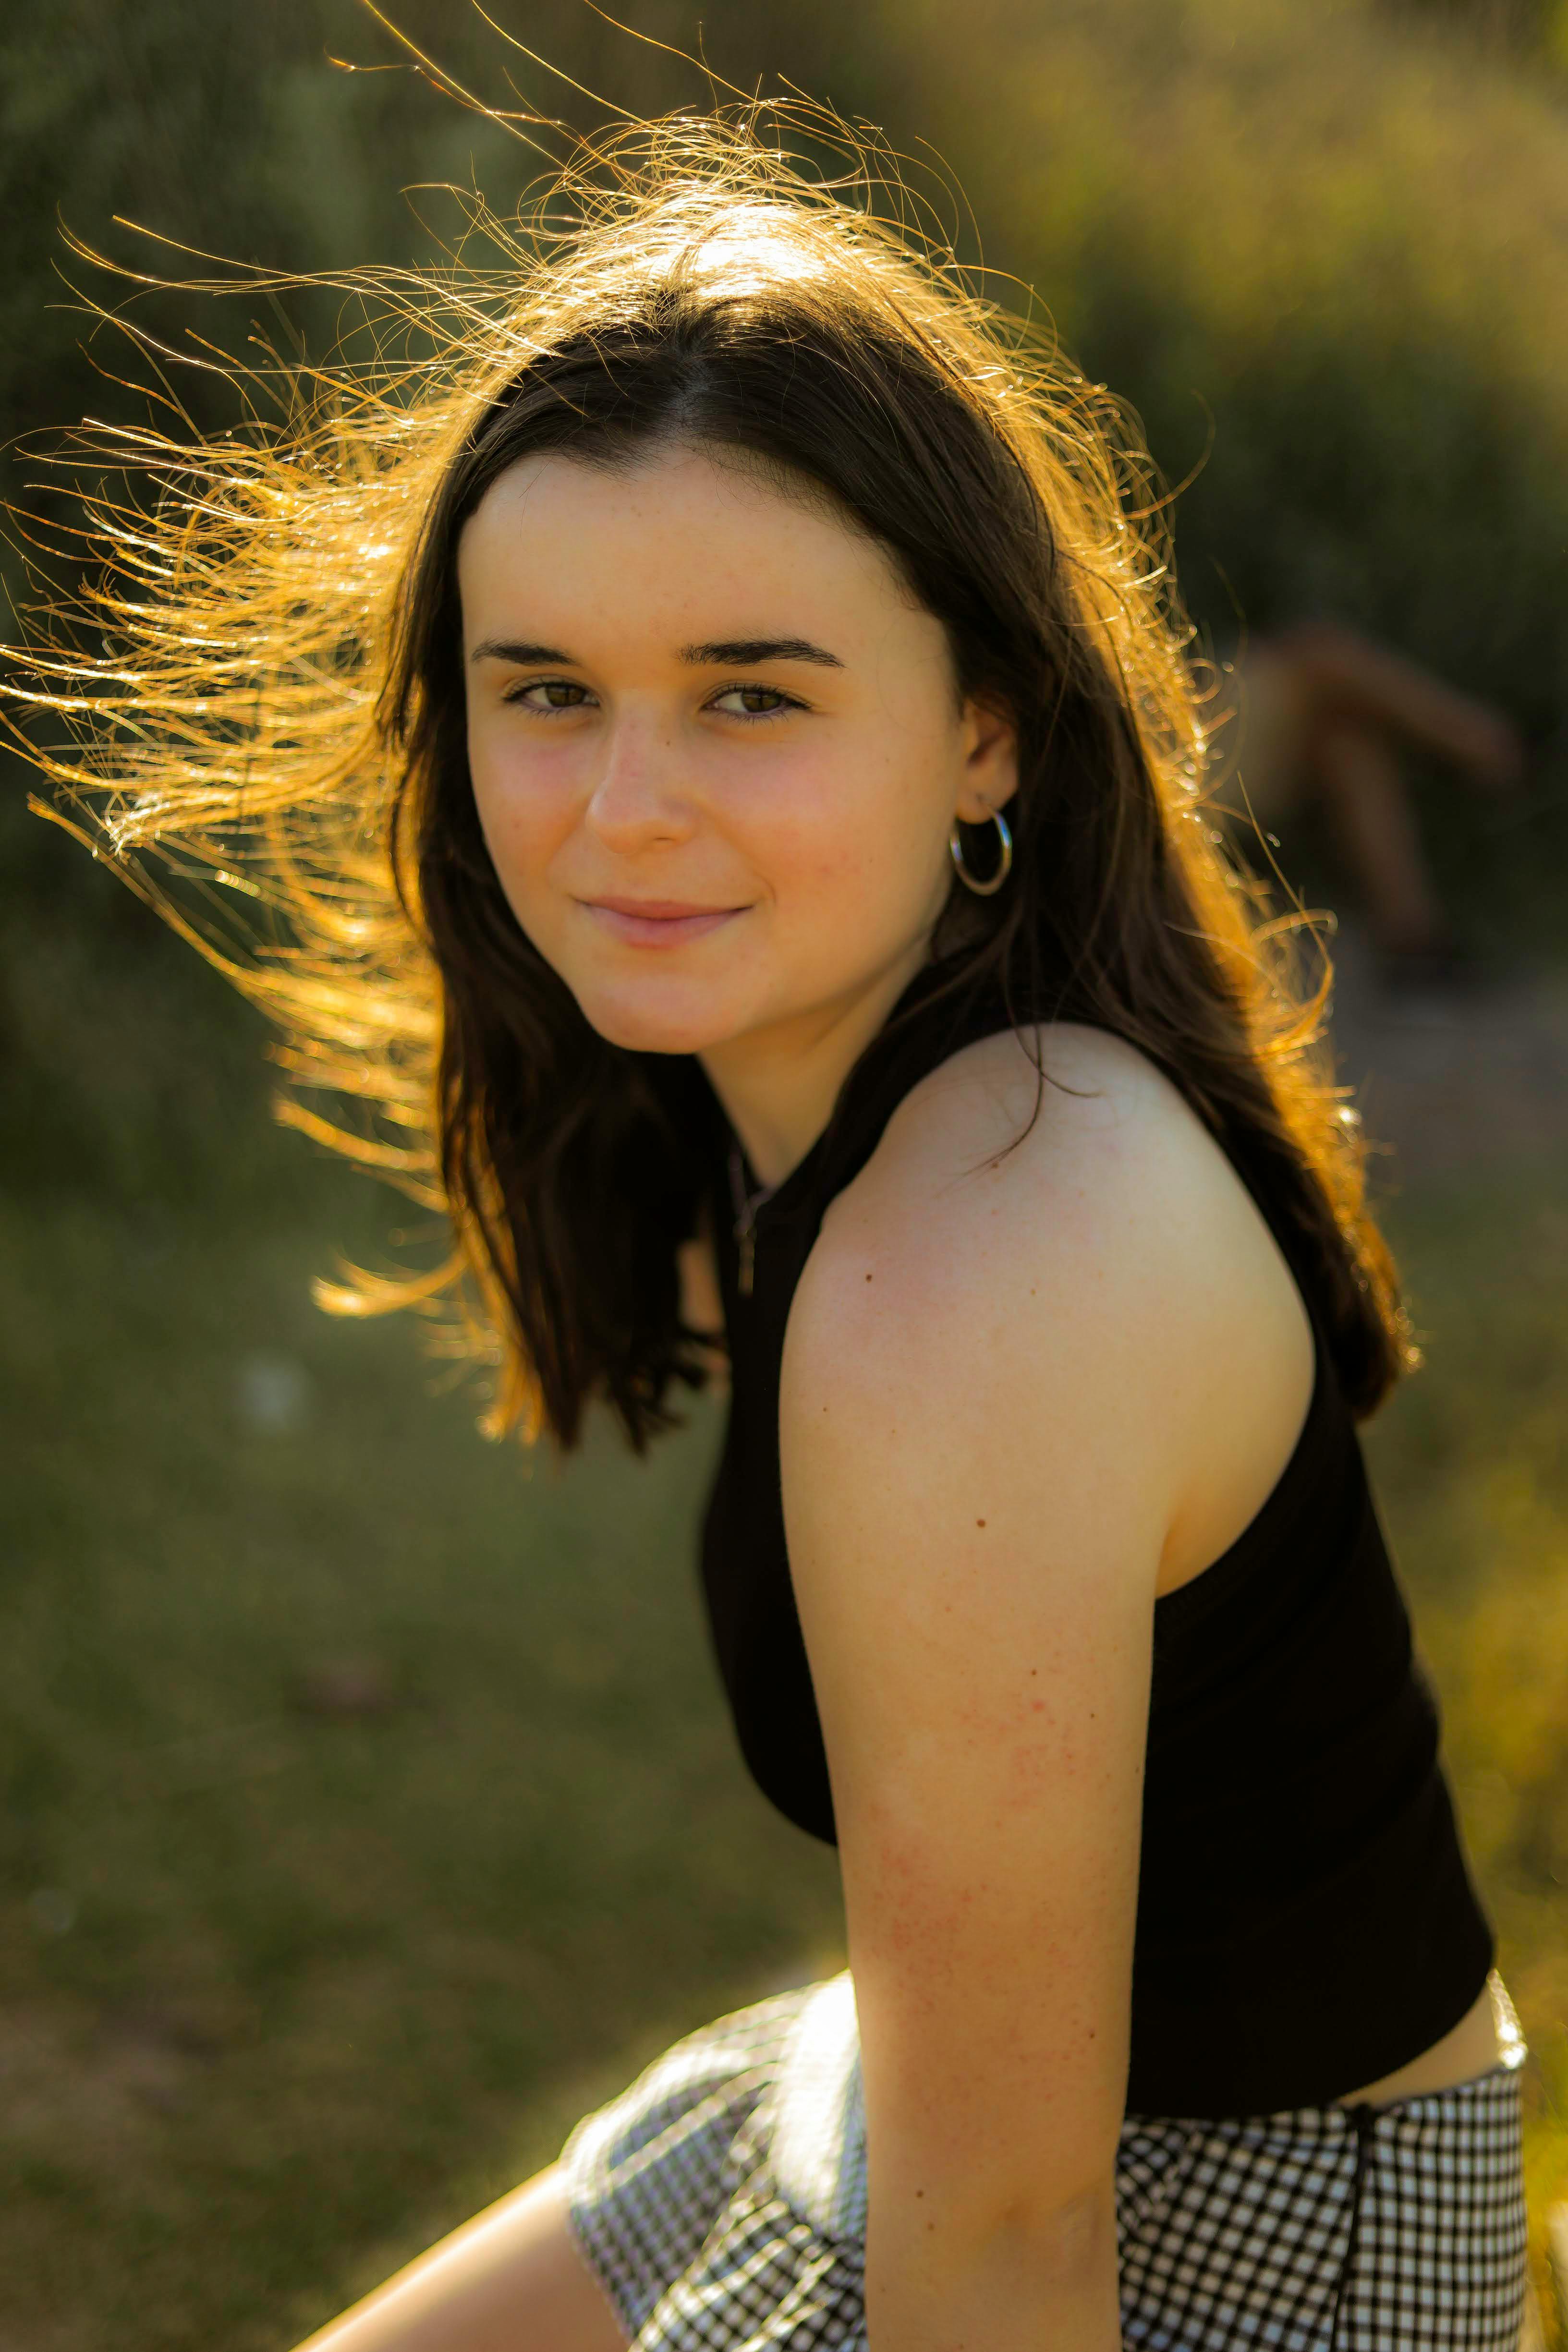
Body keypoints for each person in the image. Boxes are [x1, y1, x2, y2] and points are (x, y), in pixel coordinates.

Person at [8, 106, 1528, 2352]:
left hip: (1218, 2229)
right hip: (928, 2075)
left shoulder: (986, 1249)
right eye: (546, 690)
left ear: (984, 729)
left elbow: (1009, 2247)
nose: (623, 809)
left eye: (750, 693)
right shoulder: (824, 1087)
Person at [1216, 622, 1524, 987]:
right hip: (1180, 765)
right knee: (1319, 659)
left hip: (1187, 748)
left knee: (1343, 738)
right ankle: (1482, 745)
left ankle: (1414, 944)